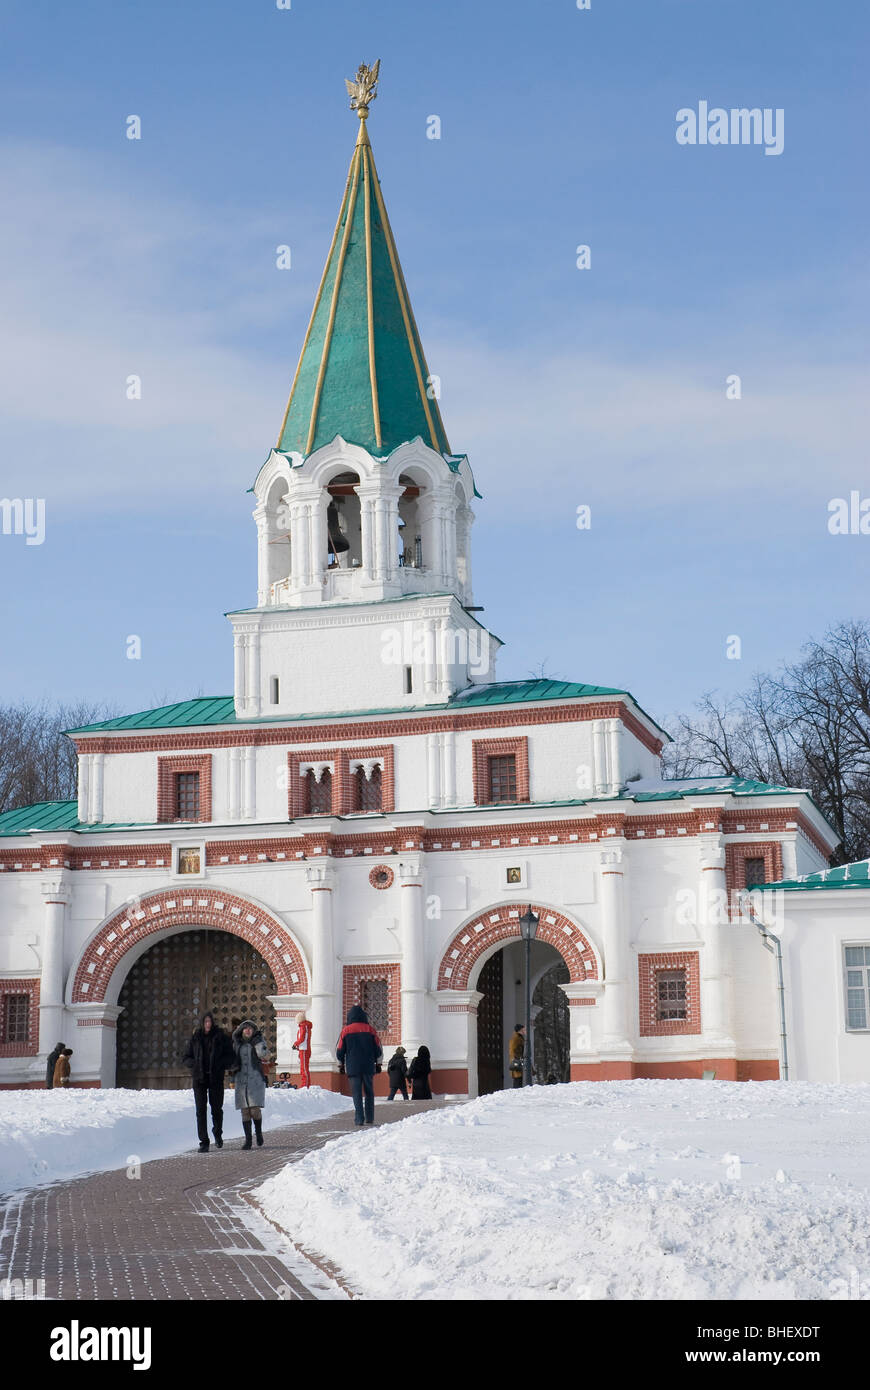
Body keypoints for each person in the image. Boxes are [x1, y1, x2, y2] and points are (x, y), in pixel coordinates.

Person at [183, 1010, 233, 1152]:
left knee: (216, 1109)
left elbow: (230, 1056)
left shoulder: (220, 1037)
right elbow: (186, 1057)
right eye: (205, 1021)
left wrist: (220, 1064)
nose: (208, 1024)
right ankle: (204, 1141)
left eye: (209, 1021)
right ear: (202, 1023)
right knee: (200, 1110)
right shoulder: (195, 1038)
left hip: (215, 1078)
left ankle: (217, 1134)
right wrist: (194, 1065)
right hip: (199, 1079)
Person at [335, 1004, 382, 1126]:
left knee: (356, 1093)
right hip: (368, 1066)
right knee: (369, 1092)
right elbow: (378, 1049)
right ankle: (370, 1117)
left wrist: (341, 1065)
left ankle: (359, 1118)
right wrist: (379, 1063)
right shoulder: (370, 1030)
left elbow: (339, 1050)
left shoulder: (345, 1031)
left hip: (353, 1067)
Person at [230, 1019, 270, 1149]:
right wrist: (232, 1080)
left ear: (253, 1031)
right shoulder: (237, 1044)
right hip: (241, 1080)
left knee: (254, 1110)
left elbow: (265, 1056)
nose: (247, 1030)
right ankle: (248, 1140)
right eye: (245, 1028)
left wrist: (258, 1044)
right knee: (245, 1111)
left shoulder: (258, 1041)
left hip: (255, 1079)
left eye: (250, 1028)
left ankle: (258, 1133)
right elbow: (233, 1062)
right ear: (241, 1030)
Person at [292, 1011, 313, 1088]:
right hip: (304, 1049)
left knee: (304, 1068)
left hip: (304, 1049)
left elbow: (302, 1038)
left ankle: (305, 1085)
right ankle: (305, 1084)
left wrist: (295, 1044)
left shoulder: (303, 1026)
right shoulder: (305, 1026)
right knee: (304, 1068)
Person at [509, 1024, 525, 1088]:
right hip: (517, 1061)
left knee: (519, 1079)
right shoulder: (516, 1038)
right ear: (520, 1030)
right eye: (523, 1029)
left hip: (519, 1060)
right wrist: (515, 1060)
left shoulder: (519, 1037)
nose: (525, 1031)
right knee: (517, 1079)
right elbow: (512, 1050)